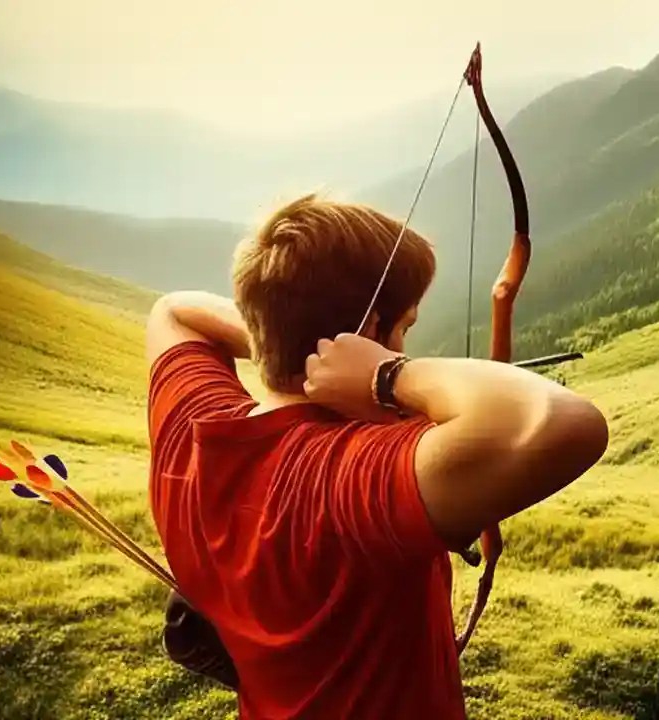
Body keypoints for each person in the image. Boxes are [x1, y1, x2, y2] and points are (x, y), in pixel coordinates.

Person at [144, 193, 608, 718]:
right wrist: (386, 377)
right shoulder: (349, 478)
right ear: (364, 335)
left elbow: (173, 311)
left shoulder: (188, 436)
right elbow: (569, 424)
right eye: (404, 327)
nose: (406, 343)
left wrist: (288, 343)